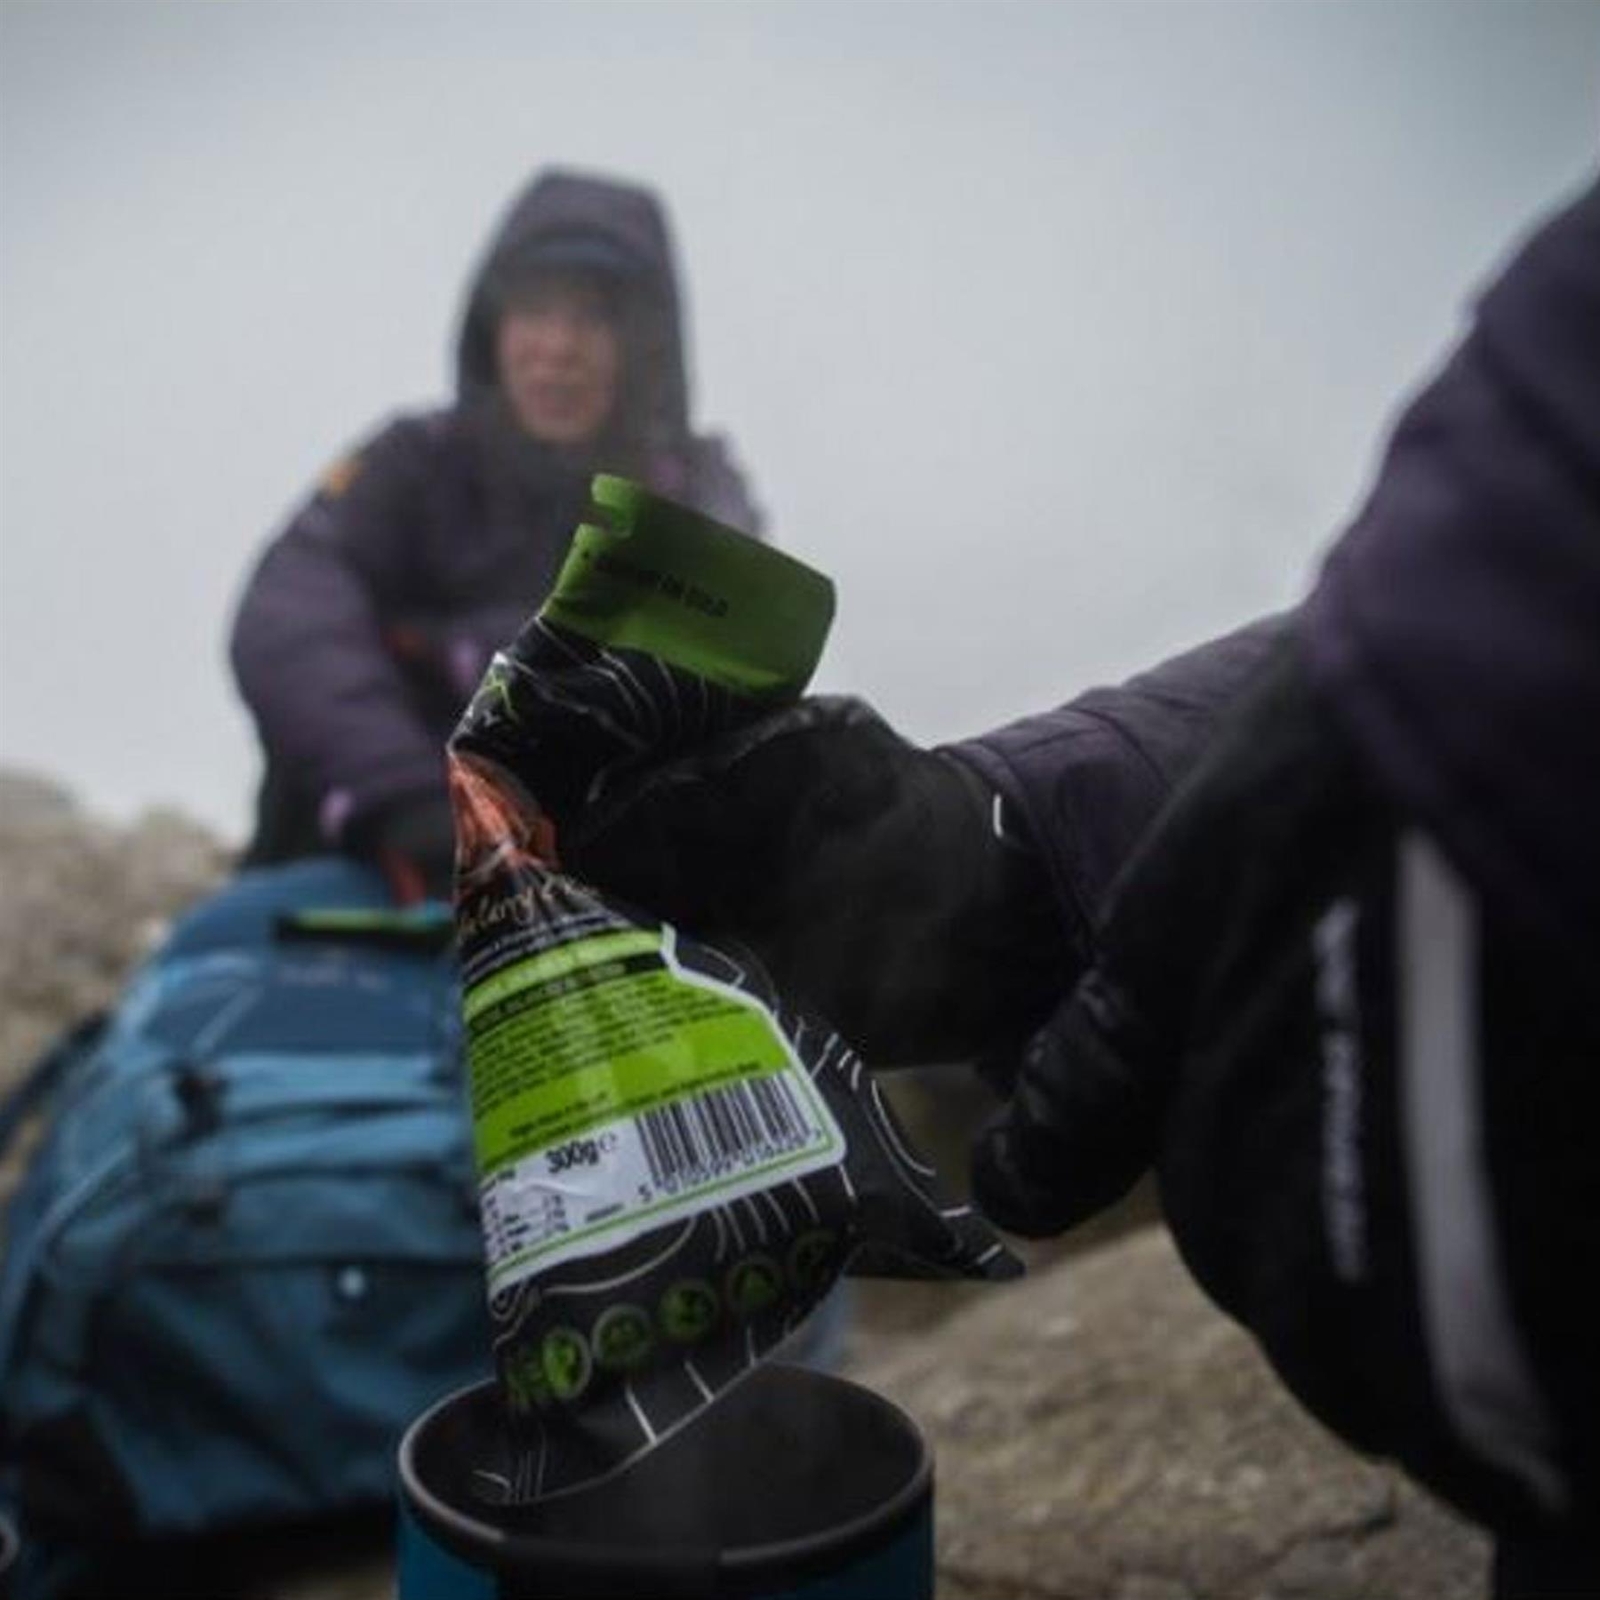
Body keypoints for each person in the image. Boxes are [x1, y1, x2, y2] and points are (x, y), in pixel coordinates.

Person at [567, 175, 1600, 1597]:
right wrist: (1031, 838)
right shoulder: (414, 481)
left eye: (592, 315)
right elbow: (1481, 566)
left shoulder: (695, 480)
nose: (557, 348)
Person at [230, 167, 763, 902]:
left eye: (593, 317)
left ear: (642, 343)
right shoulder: (410, 463)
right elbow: (288, 618)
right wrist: (412, 799)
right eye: (534, 311)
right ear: (495, 326)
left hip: (602, 904)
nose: (557, 347)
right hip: (369, 876)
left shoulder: (696, 497)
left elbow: (713, 665)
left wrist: (443, 650)